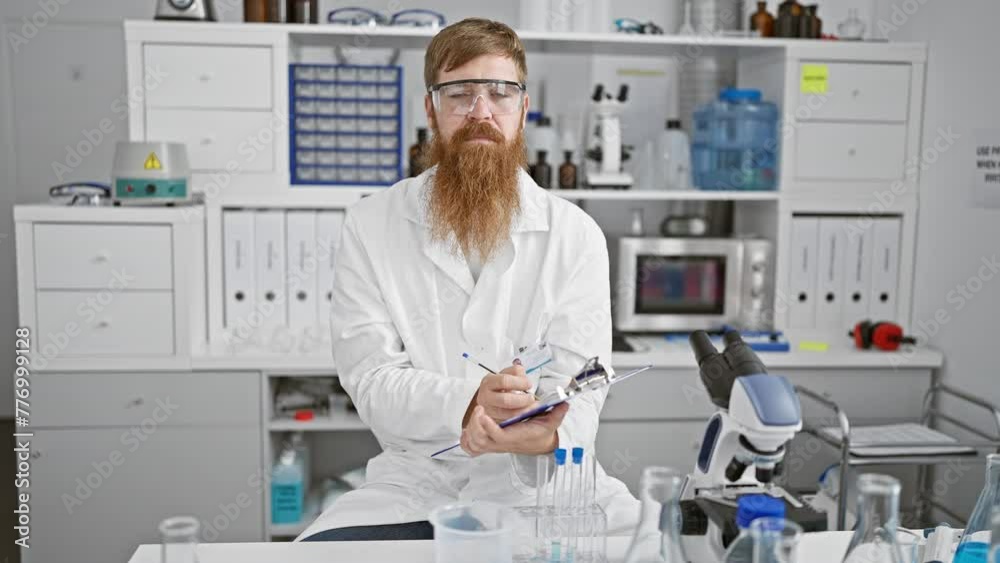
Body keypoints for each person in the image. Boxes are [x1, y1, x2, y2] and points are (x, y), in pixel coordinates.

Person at [297, 17, 638, 542]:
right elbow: (370, 378)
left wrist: (542, 438)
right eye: (459, 93)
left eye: (500, 93)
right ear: (431, 108)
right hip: (416, 486)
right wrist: (469, 402)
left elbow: (583, 386)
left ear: (522, 110)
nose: (481, 112)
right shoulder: (371, 223)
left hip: (545, 490)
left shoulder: (576, 235)